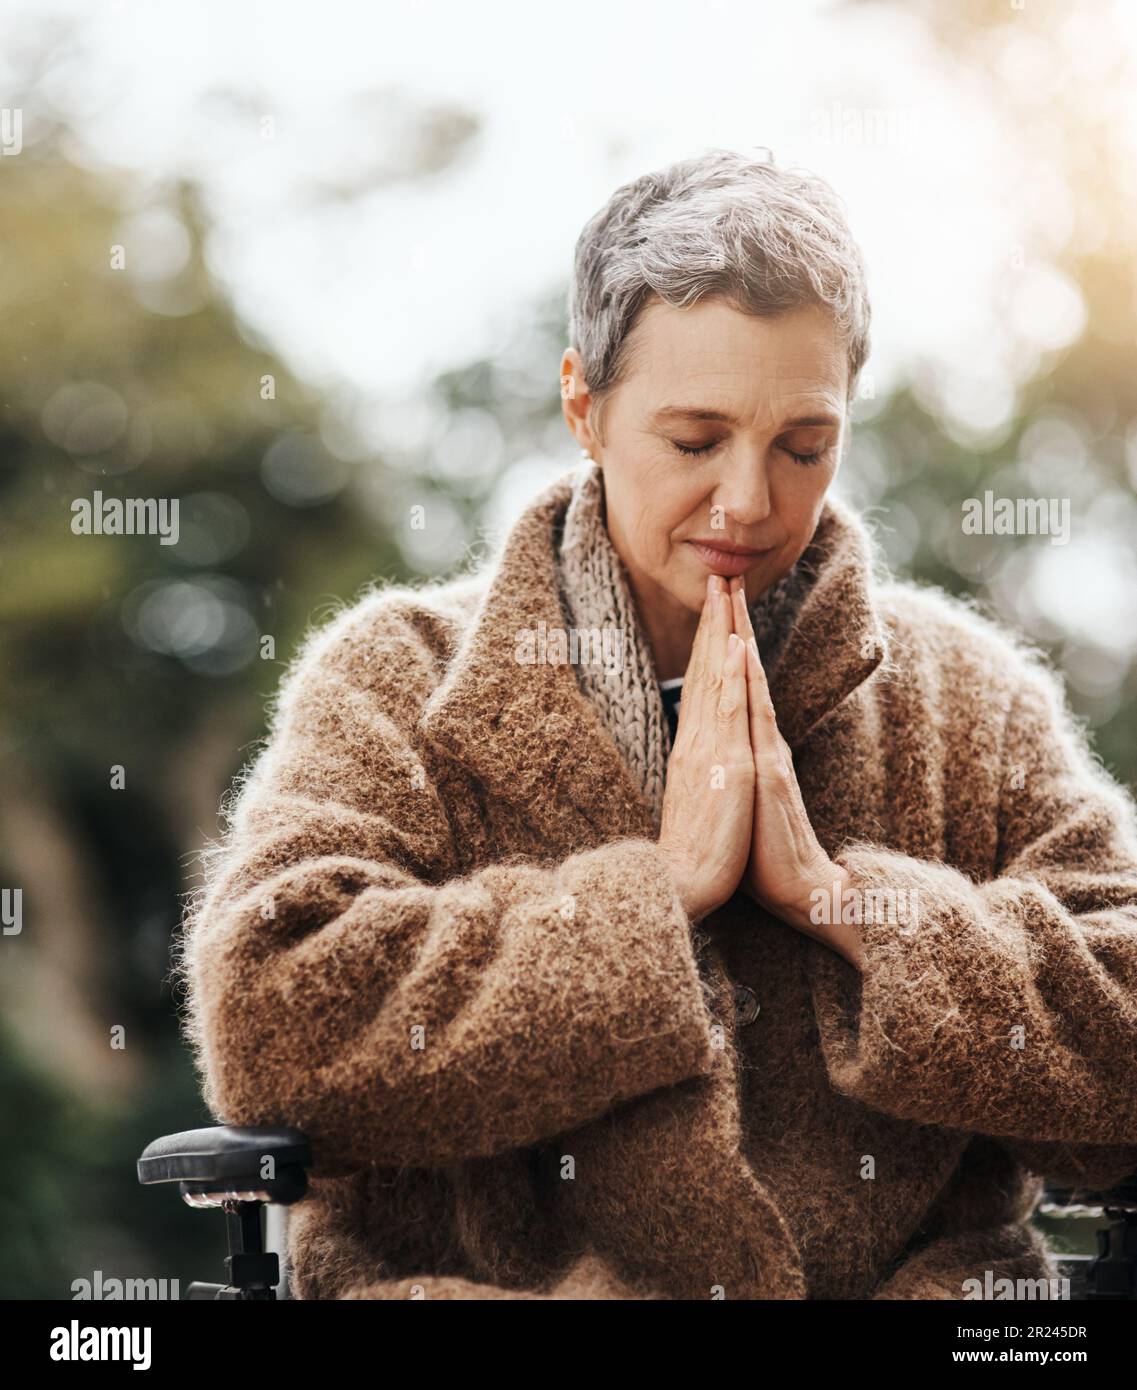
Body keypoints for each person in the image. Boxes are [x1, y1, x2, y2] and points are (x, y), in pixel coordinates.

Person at [179, 147, 1137, 1300]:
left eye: (804, 447)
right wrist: (656, 892)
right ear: (584, 403)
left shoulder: (968, 700)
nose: (748, 500)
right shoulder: (397, 680)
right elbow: (273, 1022)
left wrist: (849, 905)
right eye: (695, 441)